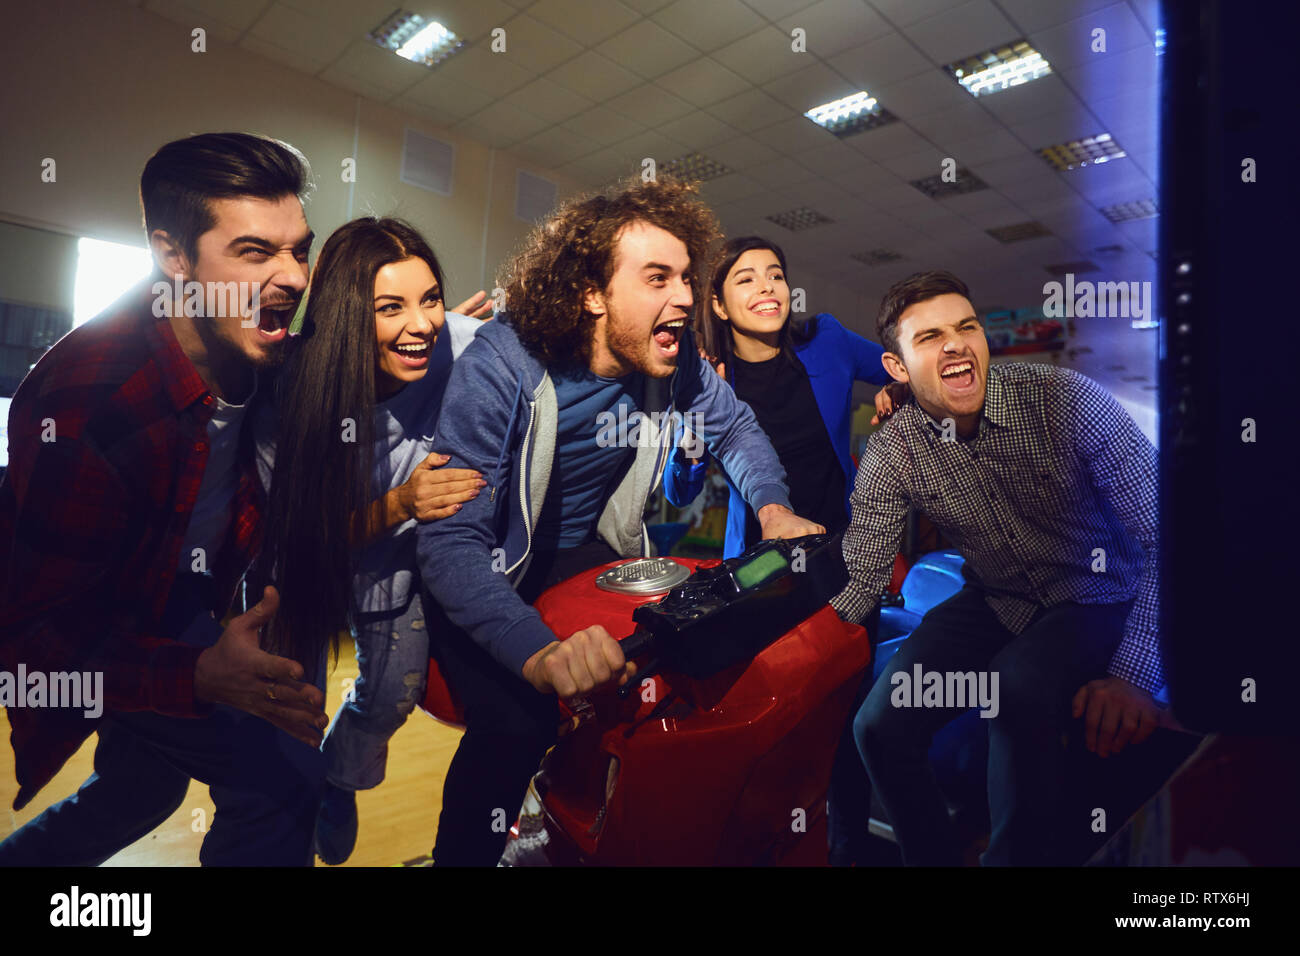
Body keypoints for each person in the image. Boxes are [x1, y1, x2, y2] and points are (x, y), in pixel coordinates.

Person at [416, 177, 824, 866]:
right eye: (658, 277)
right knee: (518, 722)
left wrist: (776, 512)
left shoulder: (672, 358)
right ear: (592, 293)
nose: (688, 298)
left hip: (582, 549)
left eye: (688, 279)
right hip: (490, 563)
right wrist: (539, 652)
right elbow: (450, 539)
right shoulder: (504, 361)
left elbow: (737, 432)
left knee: (679, 663)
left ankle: (582, 818)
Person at [0, 132, 329, 866]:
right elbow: (32, 645)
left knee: (140, 791)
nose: (292, 277)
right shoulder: (91, 402)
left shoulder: (256, 346)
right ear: (173, 257)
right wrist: (195, 674)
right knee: (281, 782)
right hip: (92, 620)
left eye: (298, 250)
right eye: (253, 252)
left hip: (183, 590)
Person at [831, 269, 1171, 866]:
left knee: (1016, 685)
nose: (956, 344)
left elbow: (1170, 537)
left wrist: (1135, 676)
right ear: (897, 368)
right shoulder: (895, 449)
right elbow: (863, 576)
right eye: (931, 337)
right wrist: (800, 654)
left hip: (1095, 595)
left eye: (966, 327)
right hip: (997, 596)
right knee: (878, 727)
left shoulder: (1066, 401)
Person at [252, 217, 485, 865]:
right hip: (359, 563)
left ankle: (341, 774)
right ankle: (333, 781)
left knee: (417, 698)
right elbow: (303, 538)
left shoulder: (461, 342)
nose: (422, 323)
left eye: (430, 298)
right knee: (378, 694)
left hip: (458, 557)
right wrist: (399, 503)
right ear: (350, 316)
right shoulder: (295, 396)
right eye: (392, 307)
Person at [662, 235, 895, 556]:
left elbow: (905, 369)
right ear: (720, 305)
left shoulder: (828, 340)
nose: (767, 286)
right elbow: (680, 493)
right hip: (758, 557)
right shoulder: (709, 380)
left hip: (845, 545)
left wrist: (897, 386)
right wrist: (695, 428)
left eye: (776, 276)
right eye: (746, 279)